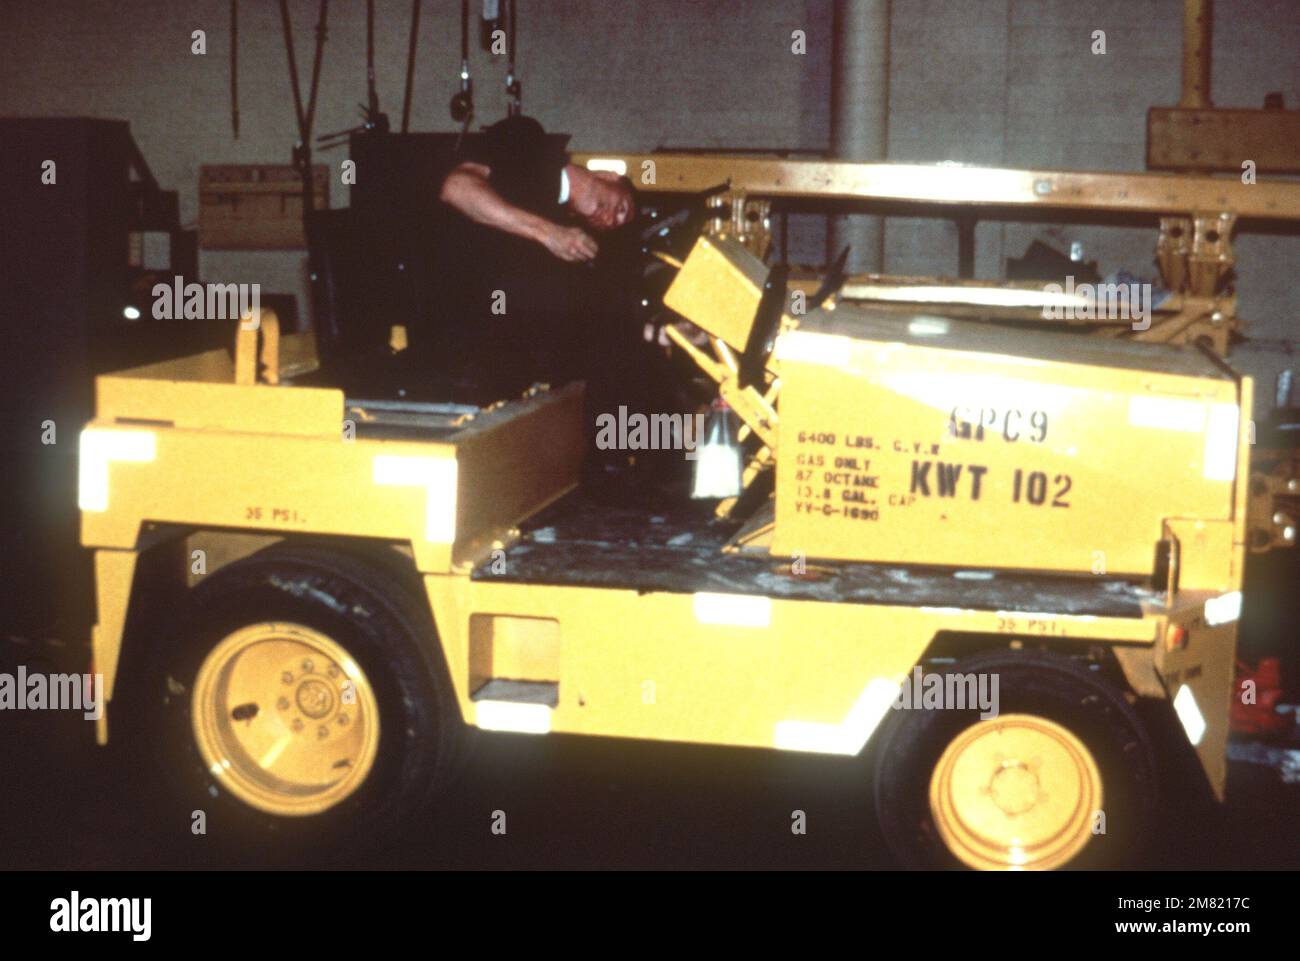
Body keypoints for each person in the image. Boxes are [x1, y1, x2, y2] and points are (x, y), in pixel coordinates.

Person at [427, 115, 636, 399]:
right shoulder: (530, 138)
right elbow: (458, 187)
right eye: (621, 207)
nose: (611, 218)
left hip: (454, 349)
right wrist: (549, 233)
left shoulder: (553, 240)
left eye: (612, 225)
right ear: (610, 176)